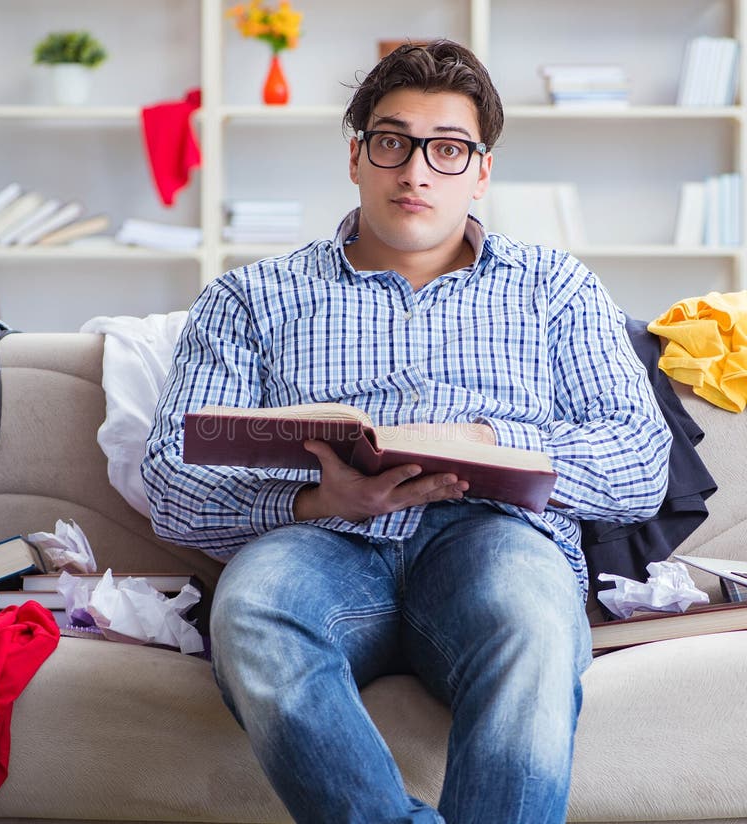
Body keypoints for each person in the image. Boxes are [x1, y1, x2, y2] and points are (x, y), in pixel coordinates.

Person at [142, 40, 672, 824]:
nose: (416, 171)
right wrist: (317, 502)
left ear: (481, 171)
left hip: (494, 537)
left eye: (447, 150)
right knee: (253, 610)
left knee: (533, 618)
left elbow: (640, 462)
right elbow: (172, 486)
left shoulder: (556, 288)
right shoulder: (250, 299)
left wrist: (491, 443)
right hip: (321, 545)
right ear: (356, 157)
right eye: (392, 143)